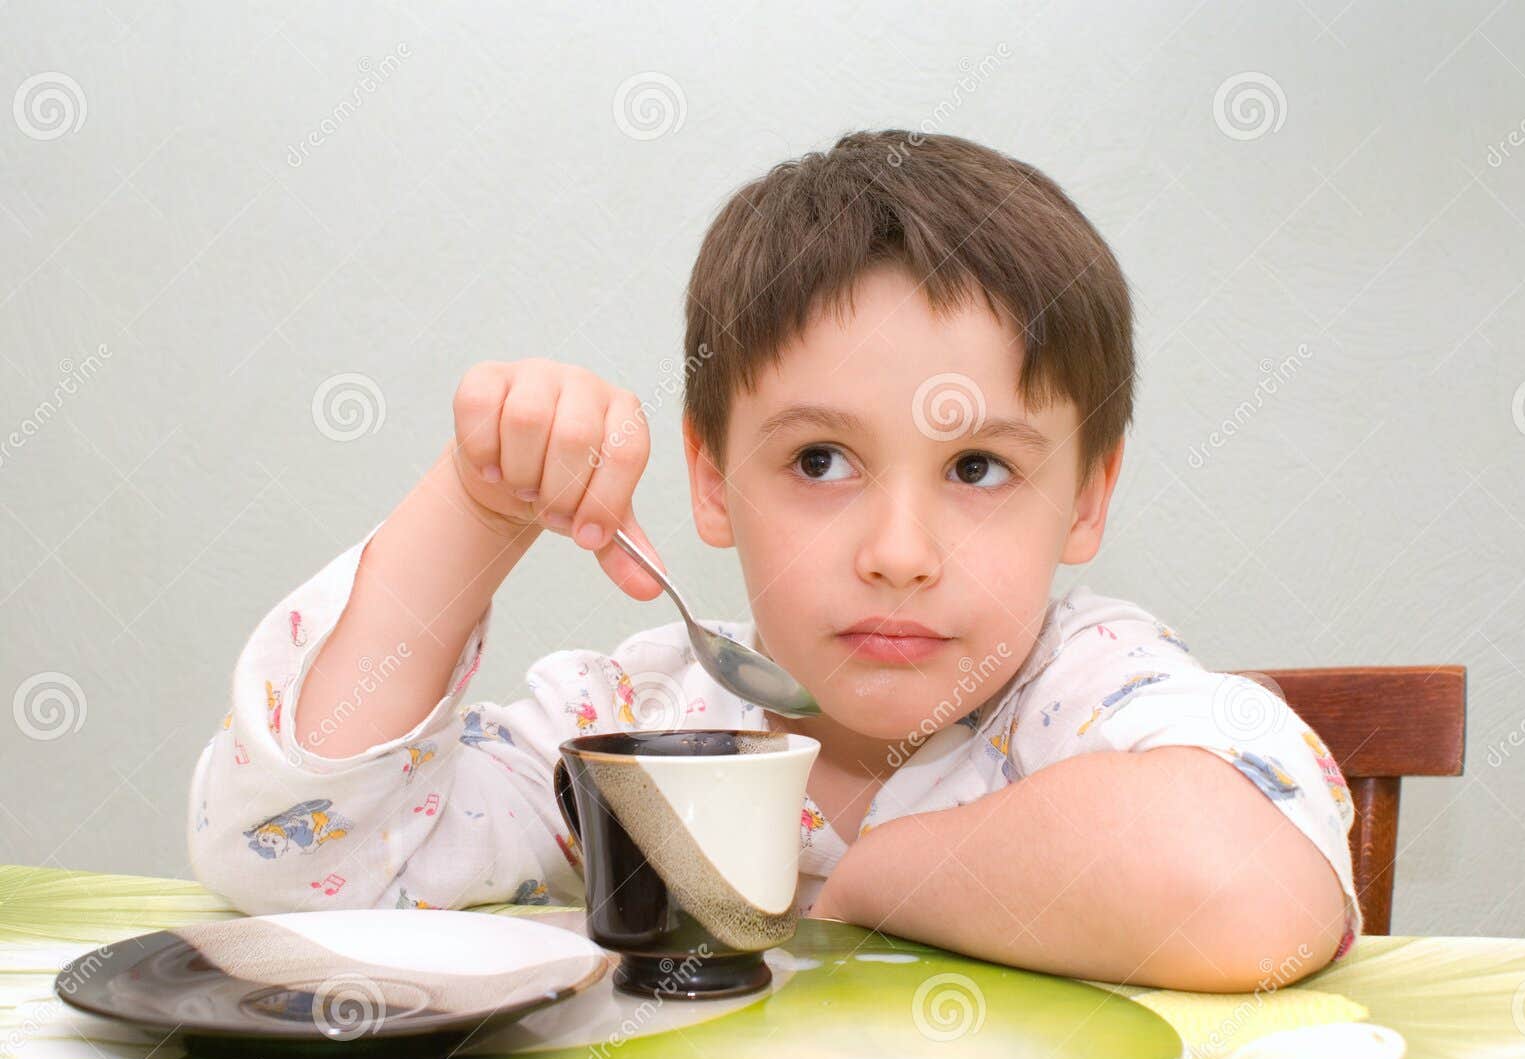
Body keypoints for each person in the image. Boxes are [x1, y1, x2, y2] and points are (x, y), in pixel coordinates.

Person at [188, 129, 1359, 992]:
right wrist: (476, 512)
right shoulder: (636, 727)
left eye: (976, 468)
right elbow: (296, 860)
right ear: (711, 481)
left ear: (1086, 499)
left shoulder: (1093, 691)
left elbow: (1240, 886)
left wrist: (859, 882)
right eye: (819, 461)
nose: (898, 555)